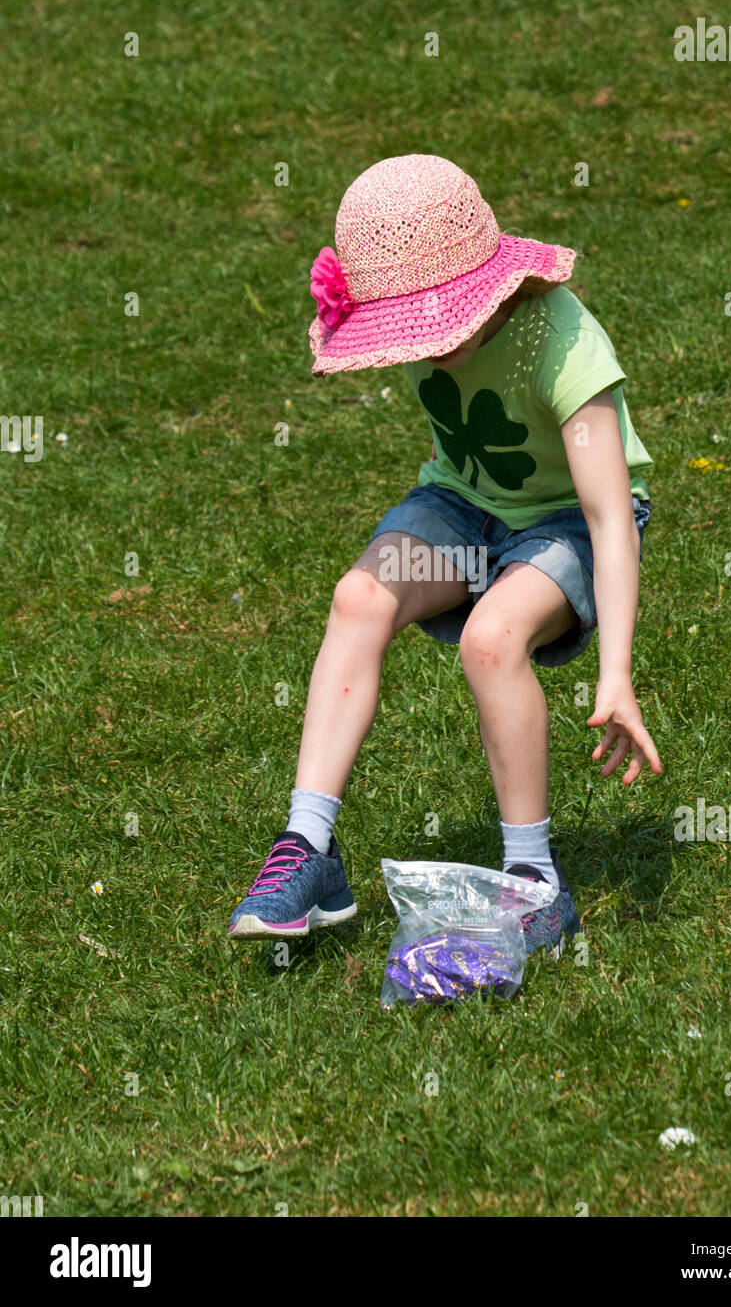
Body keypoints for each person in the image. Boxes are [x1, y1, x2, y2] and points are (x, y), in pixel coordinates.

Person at [229, 153, 661, 957]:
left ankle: (535, 883)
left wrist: (617, 673)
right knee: (358, 598)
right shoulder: (443, 341)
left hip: (564, 522)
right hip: (464, 510)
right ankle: (308, 849)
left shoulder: (566, 345)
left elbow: (608, 518)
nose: (417, 349)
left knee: (491, 640)